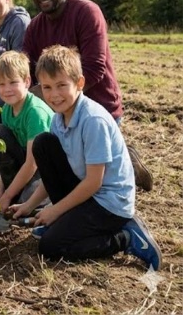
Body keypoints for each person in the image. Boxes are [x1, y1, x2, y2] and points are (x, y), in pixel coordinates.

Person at [10, 45, 161, 271]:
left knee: (50, 247)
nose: (54, 94)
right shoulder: (58, 119)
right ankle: (67, 223)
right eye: (47, 87)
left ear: (79, 83)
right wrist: (29, 205)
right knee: (43, 144)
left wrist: (55, 210)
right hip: (86, 191)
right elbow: (54, 170)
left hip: (109, 203)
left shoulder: (93, 120)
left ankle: (125, 237)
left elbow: (94, 182)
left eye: (62, 85)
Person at [22, 0, 153, 191]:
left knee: (92, 179)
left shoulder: (86, 12)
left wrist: (57, 98)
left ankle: (127, 163)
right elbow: (29, 73)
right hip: (61, 109)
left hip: (99, 106)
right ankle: (121, 155)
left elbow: (95, 68)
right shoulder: (35, 27)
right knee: (71, 166)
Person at [0, 51, 54, 211]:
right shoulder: (6, 109)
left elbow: (33, 164)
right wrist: (1, 188)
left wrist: (7, 197)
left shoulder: (35, 113)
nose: (7, 89)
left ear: (26, 82)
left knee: (30, 207)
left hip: (46, 166)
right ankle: (17, 188)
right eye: (1, 84)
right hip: (25, 160)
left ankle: (39, 196)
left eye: (13, 82)